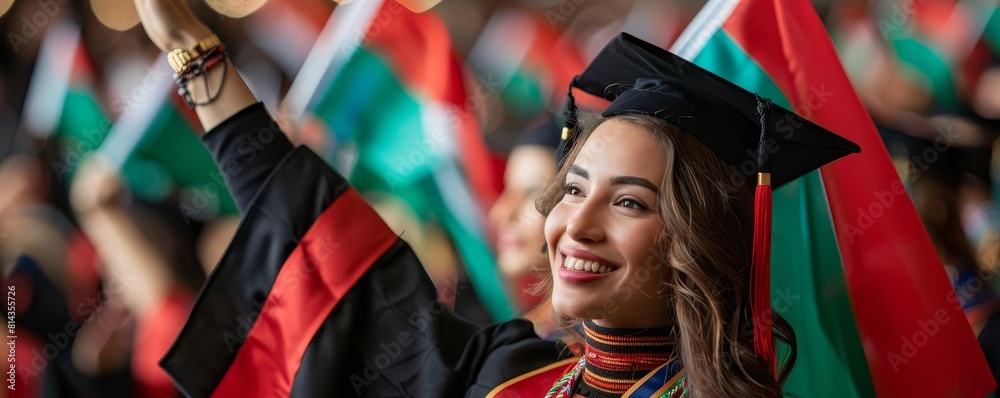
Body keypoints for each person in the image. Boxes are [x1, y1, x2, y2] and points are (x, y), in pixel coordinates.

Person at [129, 1, 859, 396]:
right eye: (573, 189)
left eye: (630, 203)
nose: (577, 223)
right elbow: (330, 266)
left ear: (694, 242)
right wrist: (196, 54)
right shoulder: (515, 375)